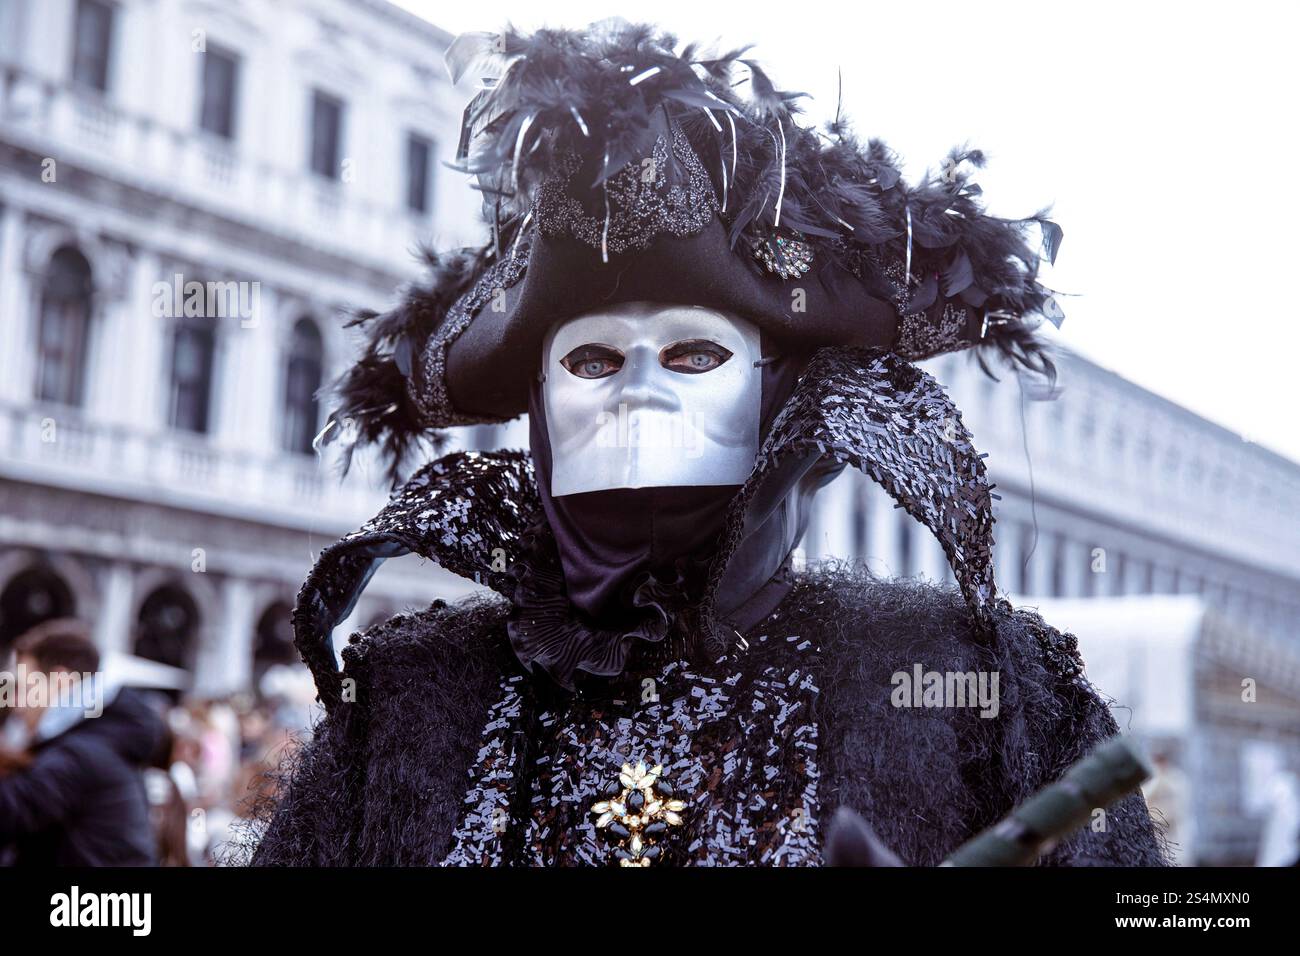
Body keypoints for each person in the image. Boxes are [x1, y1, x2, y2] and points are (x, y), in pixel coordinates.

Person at [250, 20, 1166, 867]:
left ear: (783, 398)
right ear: (537, 409)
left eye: (694, 353)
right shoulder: (409, 697)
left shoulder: (971, 686)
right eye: (595, 359)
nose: (640, 388)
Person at [0, 619, 163, 866]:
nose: (17, 704)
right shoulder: (98, 739)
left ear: (60, 680)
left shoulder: (79, 754)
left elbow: (10, 811)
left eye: (25, 688)